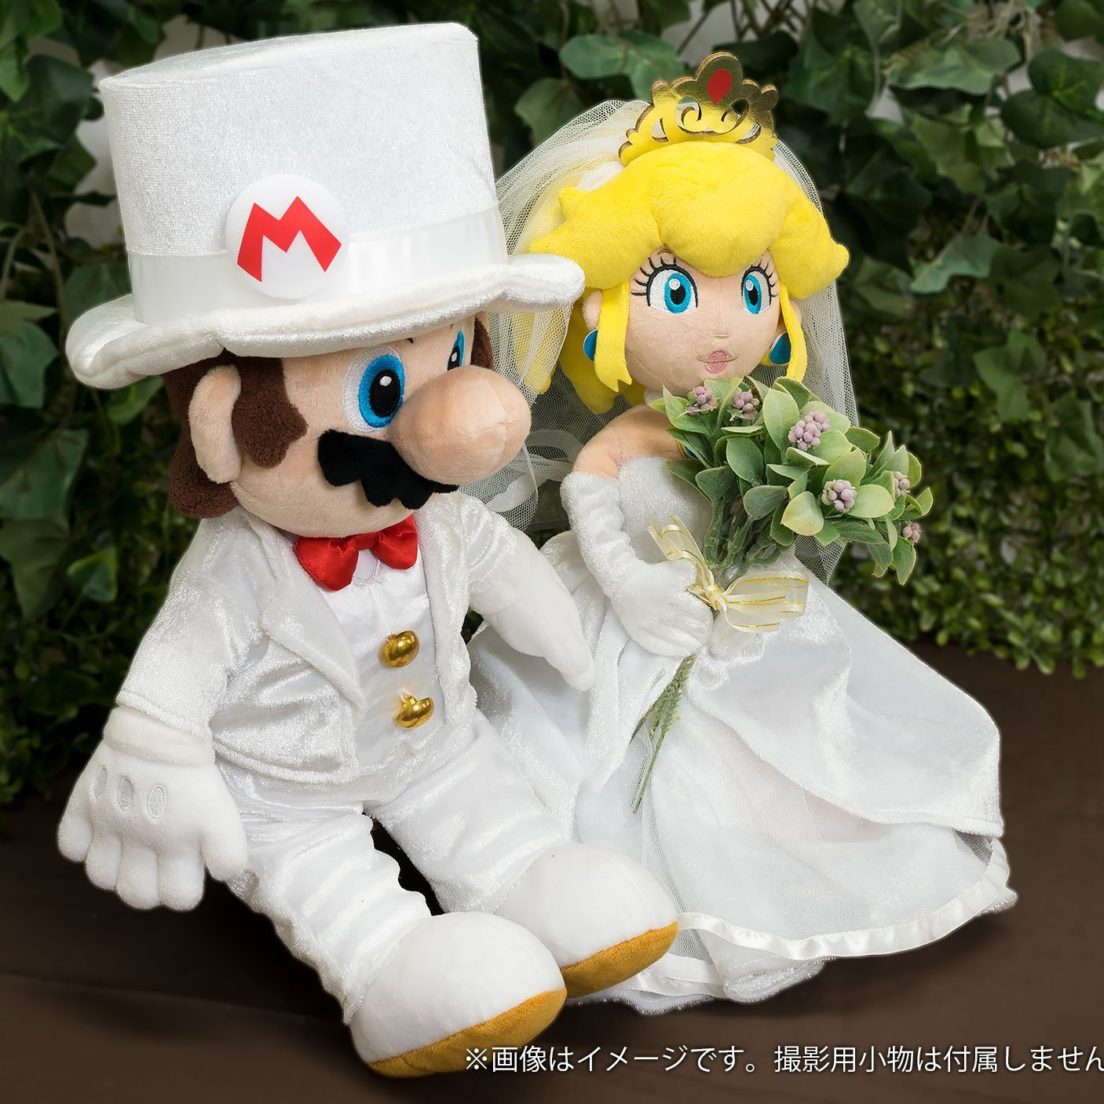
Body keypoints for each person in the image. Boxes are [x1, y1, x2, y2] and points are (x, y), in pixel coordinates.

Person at [471, 54, 1015, 1011]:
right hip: (631, 621)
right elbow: (594, 512)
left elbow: (770, 503)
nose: (723, 327)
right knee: (613, 765)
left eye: (754, 289)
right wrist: (634, 586)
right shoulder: (629, 437)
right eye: (677, 293)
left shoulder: (759, 424)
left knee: (793, 748)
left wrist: (790, 520)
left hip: (745, 623)